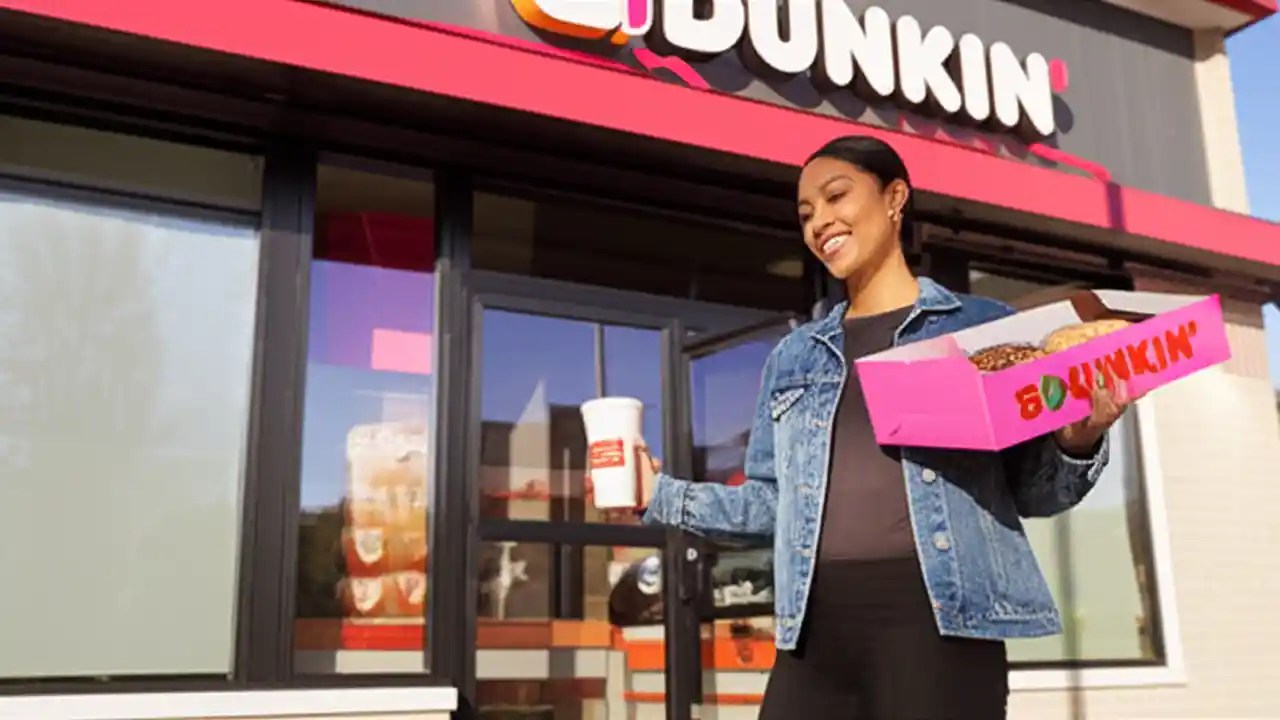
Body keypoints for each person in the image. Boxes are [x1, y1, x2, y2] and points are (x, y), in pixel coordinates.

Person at [635, 135, 1133, 719]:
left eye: (835, 196)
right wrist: (661, 495)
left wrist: (1079, 438)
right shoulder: (795, 356)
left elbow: (1031, 491)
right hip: (813, 626)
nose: (820, 221)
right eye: (805, 214)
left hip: (937, 623)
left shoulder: (985, 330)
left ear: (895, 198)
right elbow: (772, 507)